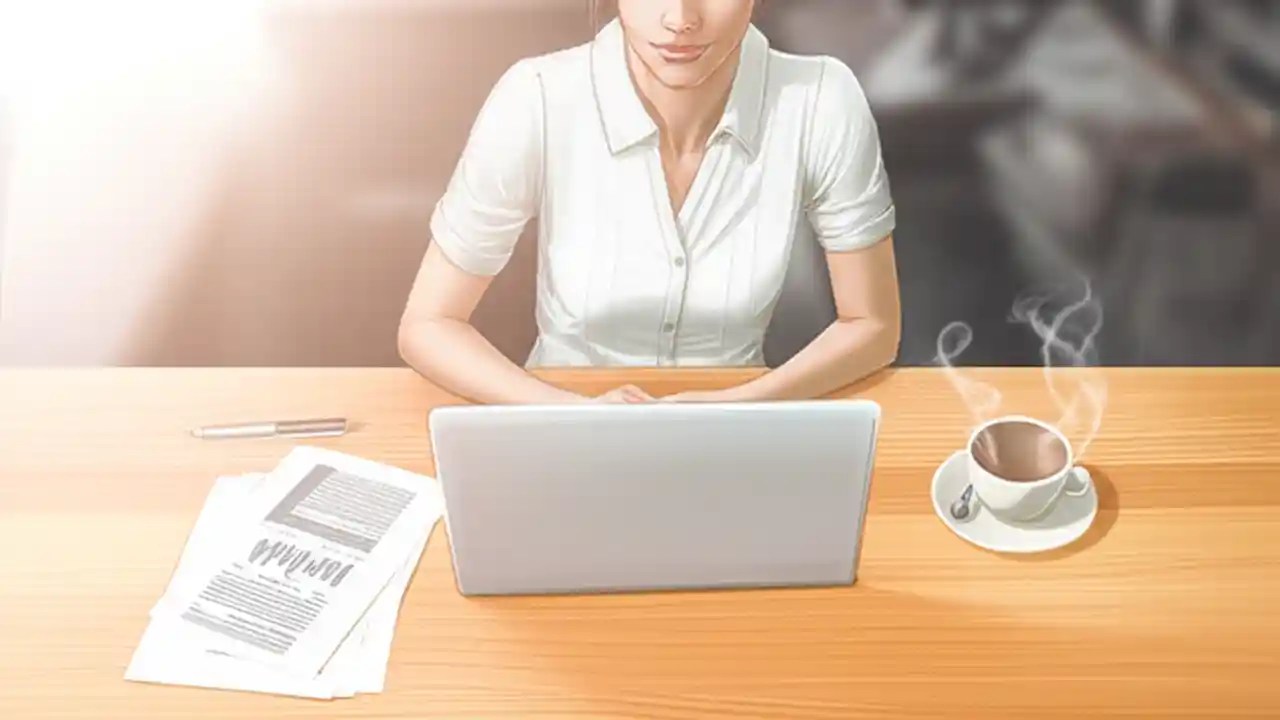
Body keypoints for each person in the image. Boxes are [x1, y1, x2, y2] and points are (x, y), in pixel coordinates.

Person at [398, 0, 901, 404]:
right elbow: (428, 324)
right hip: (556, 426)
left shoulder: (820, 98)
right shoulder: (537, 96)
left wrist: (743, 404)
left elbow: (872, 325)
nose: (680, 19)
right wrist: (566, 412)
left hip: (738, 434)